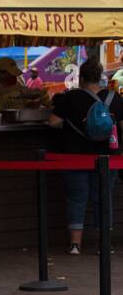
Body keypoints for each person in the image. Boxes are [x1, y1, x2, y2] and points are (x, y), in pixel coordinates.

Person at [49, 56, 122, 255]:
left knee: (76, 198)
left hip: (74, 156)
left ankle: (75, 244)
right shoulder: (115, 99)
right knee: (103, 198)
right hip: (108, 158)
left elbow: (53, 122)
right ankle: (104, 244)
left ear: (81, 77)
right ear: (101, 77)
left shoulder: (70, 97)